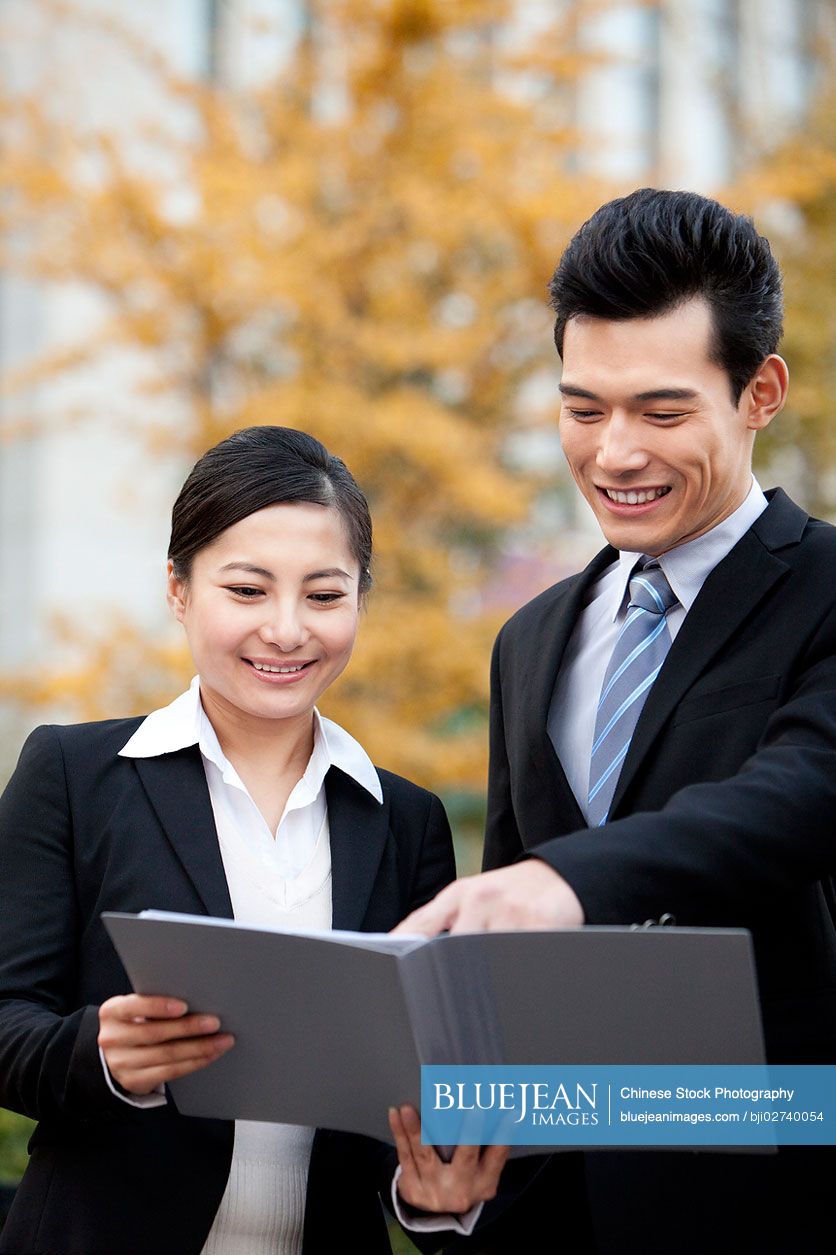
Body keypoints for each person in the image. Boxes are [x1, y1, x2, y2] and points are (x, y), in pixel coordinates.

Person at [398, 189, 836, 1252]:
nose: (613, 453)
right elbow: (511, 970)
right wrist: (449, 1191)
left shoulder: (824, 586)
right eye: (582, 409)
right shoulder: (530, 640)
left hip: (783, 1188)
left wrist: (567, 879)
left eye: (660, 411)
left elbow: (800, 792)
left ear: (758, 392)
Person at [0, 426, 506, 1255]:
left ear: (360, 600)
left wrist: (425, 1190)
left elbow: (403, 1086)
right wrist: (104, 1051)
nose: (285, 629)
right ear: (178, 589)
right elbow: (6, 1020)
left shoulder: (402, 820)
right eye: (246, 589)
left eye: (324, 593)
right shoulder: (74, 775)